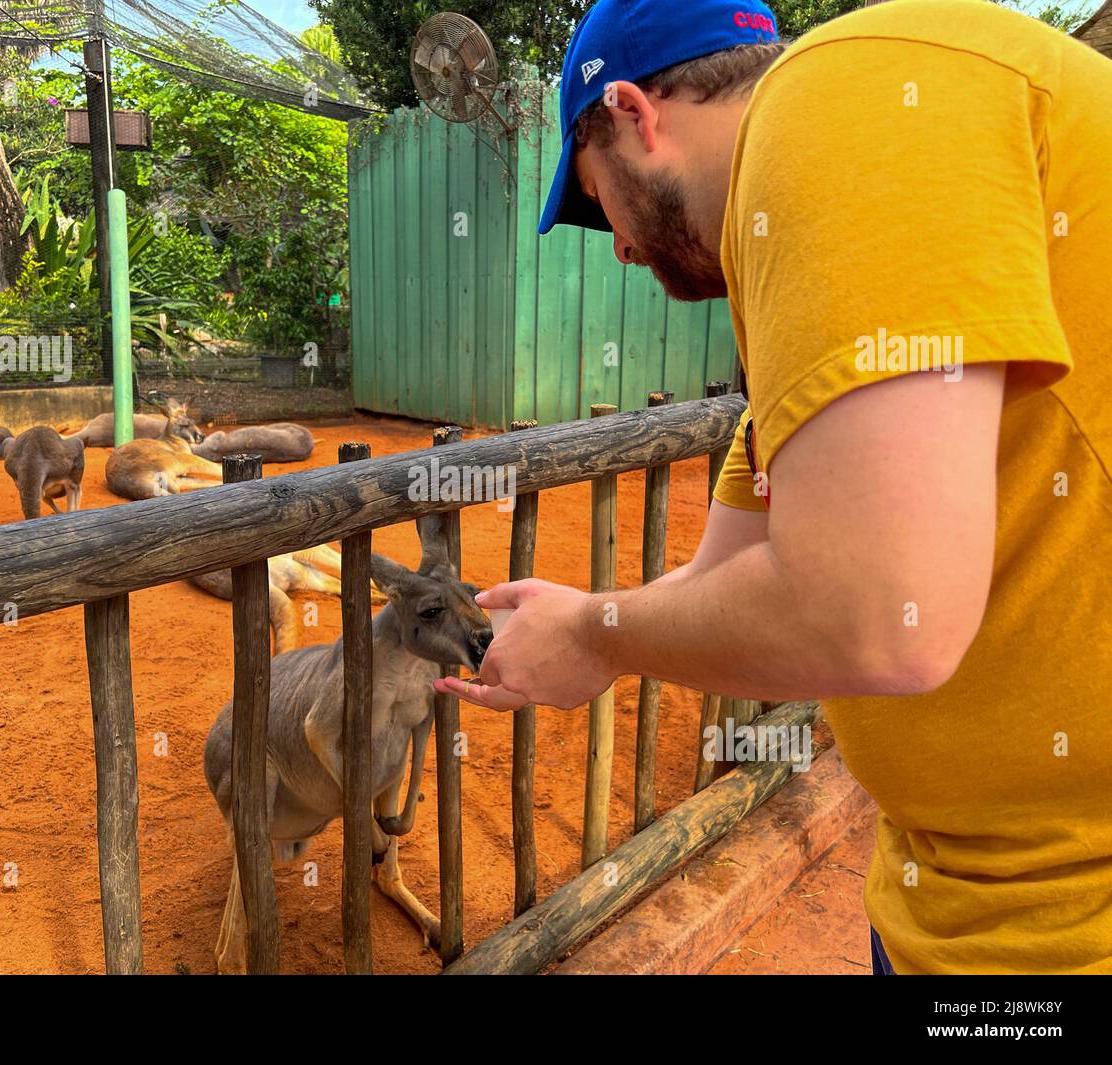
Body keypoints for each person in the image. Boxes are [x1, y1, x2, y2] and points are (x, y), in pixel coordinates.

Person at [435, 0, 1111, 975]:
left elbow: (880, 618)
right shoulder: (813, 316)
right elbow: (739, 573)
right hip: (959, 901)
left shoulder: (840, 90)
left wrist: (595, 632)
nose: (616, 246)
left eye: (593, 202)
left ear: (633, 114)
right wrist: (594, 628)